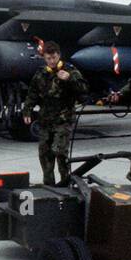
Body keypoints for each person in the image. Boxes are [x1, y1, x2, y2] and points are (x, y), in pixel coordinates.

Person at [22, 41, 89, 186]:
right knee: (45, 155)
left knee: (59, 152)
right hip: (46, 120)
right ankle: (49, 185)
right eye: (48, 58)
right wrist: (27, 110)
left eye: (54, 58)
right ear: (44, 58)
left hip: (63, 120)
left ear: (59, 55)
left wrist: (69, 79)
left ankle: (65, 183)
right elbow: (32, 93)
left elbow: (84, 89)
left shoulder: (70, 70)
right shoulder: (41, 73)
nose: (52, 61)